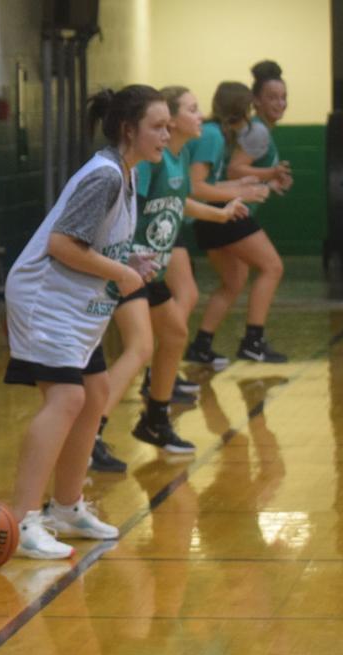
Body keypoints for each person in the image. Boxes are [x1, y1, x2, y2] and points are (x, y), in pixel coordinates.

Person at [4, 85, 168, 557]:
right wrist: (121, 272)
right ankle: (22, 519)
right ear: (128, 129)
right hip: (45, 297)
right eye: (158, 126)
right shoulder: (104, 176)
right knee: (68, 397)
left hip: (77, 301)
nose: (166, 134)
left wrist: (128, 258)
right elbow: (61, 244)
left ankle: (67, 507)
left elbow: (92, 242)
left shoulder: (126, 174)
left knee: (95, 394)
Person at [90, 87, 252, 471]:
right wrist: (123, 257)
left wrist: (221, 213)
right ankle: (92, 431)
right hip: (126, 270)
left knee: (176, 333)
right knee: (140, 347)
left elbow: (178, 204)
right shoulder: (147, 164)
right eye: (193, 110)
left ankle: (155, 420)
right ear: (172, 120)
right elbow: (123, 207)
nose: (200, 116)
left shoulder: (173, 158)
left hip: (150, 270)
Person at [184, 77, 286, 367]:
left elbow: (212, 180)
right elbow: (196, 186)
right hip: (218, 214)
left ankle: (201, 345)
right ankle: (253, 341)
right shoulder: (213, 135)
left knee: (233, 281)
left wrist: (245, 183)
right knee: (272, 267)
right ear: (243, 111)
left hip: (211, 217)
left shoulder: (216, 134)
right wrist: (242, 191)